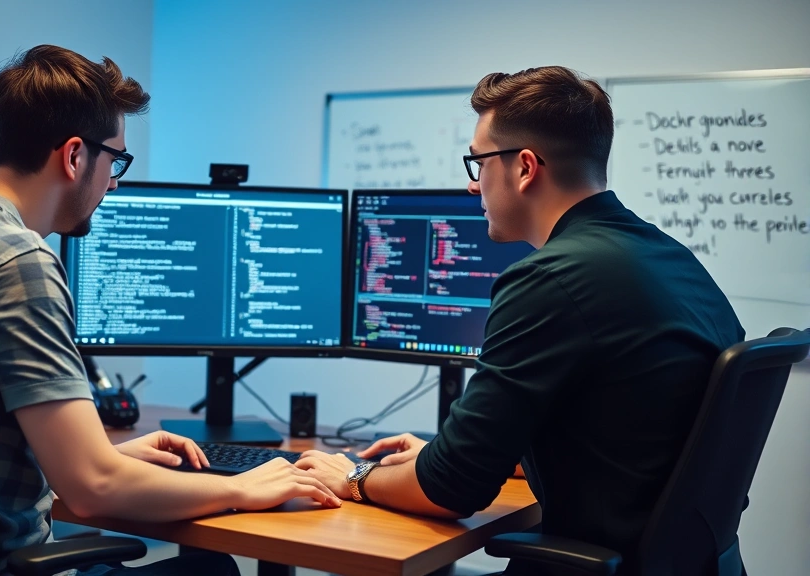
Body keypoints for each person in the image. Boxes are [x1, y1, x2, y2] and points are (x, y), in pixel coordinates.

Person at [0, 44, 340, 576]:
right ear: (74, 156)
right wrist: (240, 486)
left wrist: (106, 455)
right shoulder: (16, 259)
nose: (113, 183)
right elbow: (93, 492)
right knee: (213, 569)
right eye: (114, 160)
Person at [296, 66, 744, 574]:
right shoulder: (670, 260)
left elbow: (451, 490)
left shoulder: (550, 278)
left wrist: (355, 475)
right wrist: (451, 454)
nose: (472, 186)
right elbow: (629, 436)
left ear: (525, 167)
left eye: (477, 162)